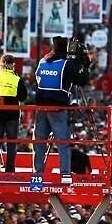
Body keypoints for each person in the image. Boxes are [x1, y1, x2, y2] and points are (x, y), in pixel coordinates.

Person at [32, 36, 90, 183]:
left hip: (40, 106)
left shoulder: (43, 61)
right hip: (57, 107)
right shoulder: (66, 64)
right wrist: (85, 65)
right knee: (63, 143)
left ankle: (37, 174)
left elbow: (37, 78)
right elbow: (81, 80)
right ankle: (65, 174)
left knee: (39, 142)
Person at [0, 53, 28, 172]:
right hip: (11, 115)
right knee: (11, 142)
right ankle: (10, 169)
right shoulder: (16, 79)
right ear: (13, 66)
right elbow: (23, 97)